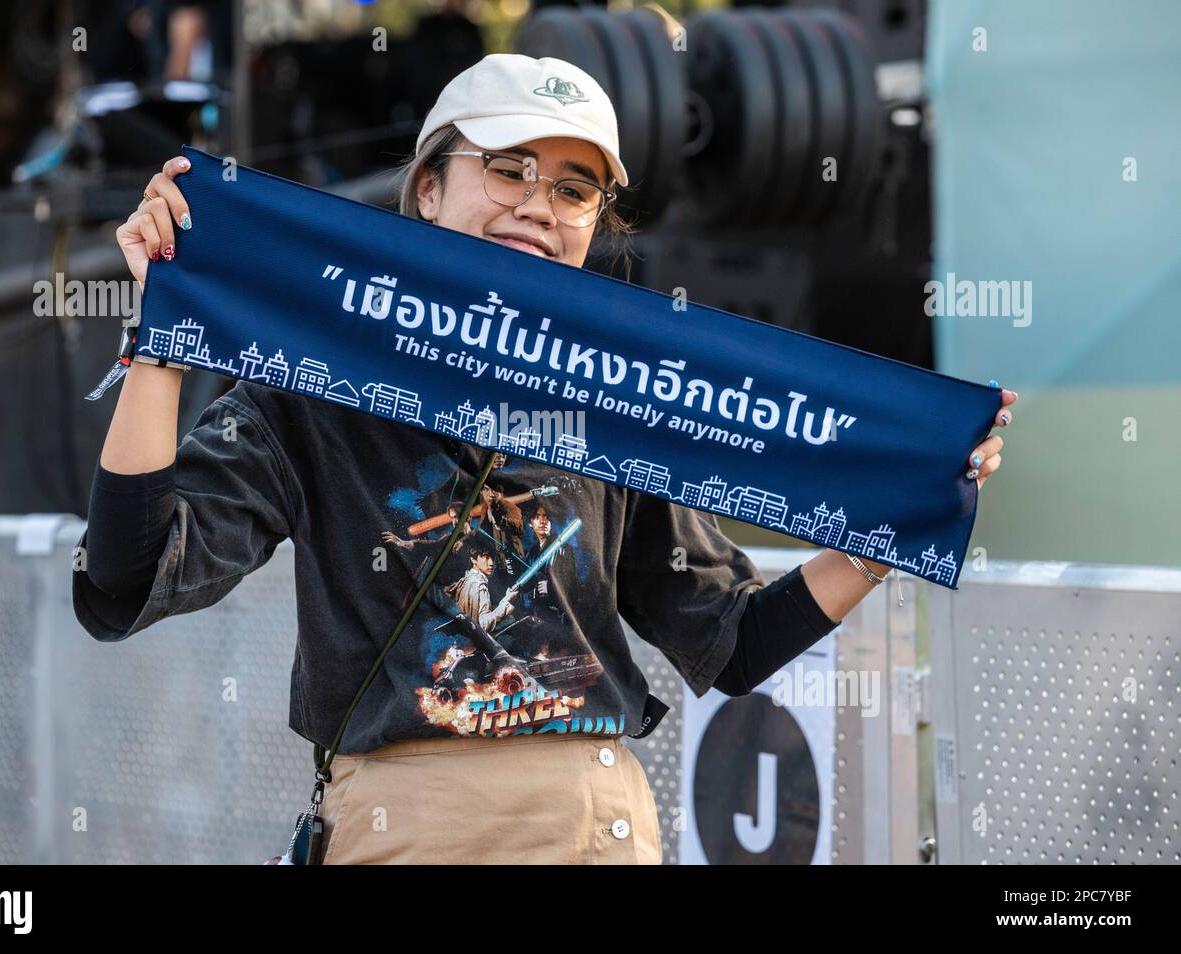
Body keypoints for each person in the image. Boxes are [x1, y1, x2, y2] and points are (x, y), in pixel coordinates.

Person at [73, 53, 1018, 865]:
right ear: (428, 187)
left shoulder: (619, 397)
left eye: (573, 190)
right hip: (409, 829)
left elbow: (729, 644)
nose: (538, 206)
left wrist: (891, 519)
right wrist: (162, 342)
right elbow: (129, 571)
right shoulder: (307, 379)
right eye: (509, 170)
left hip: (595, 819)